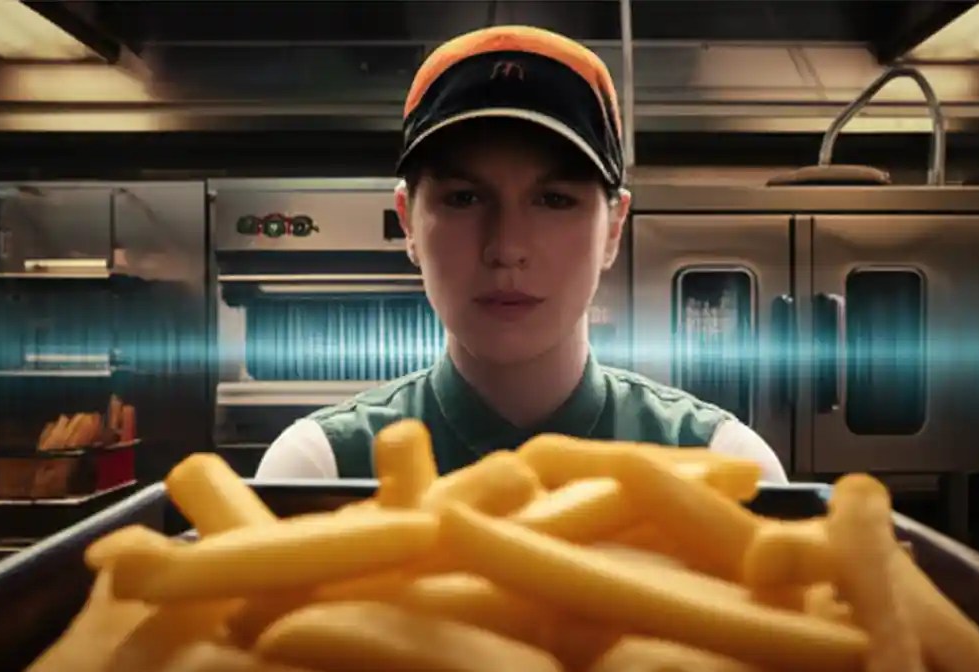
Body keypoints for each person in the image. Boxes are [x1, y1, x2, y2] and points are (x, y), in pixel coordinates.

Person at [256, 25, 788, 484]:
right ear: (407, 222)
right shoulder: (320, 469)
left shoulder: (725, 467)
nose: (506, 248)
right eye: (464, 199)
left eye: (554, 200)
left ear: (613, 228)